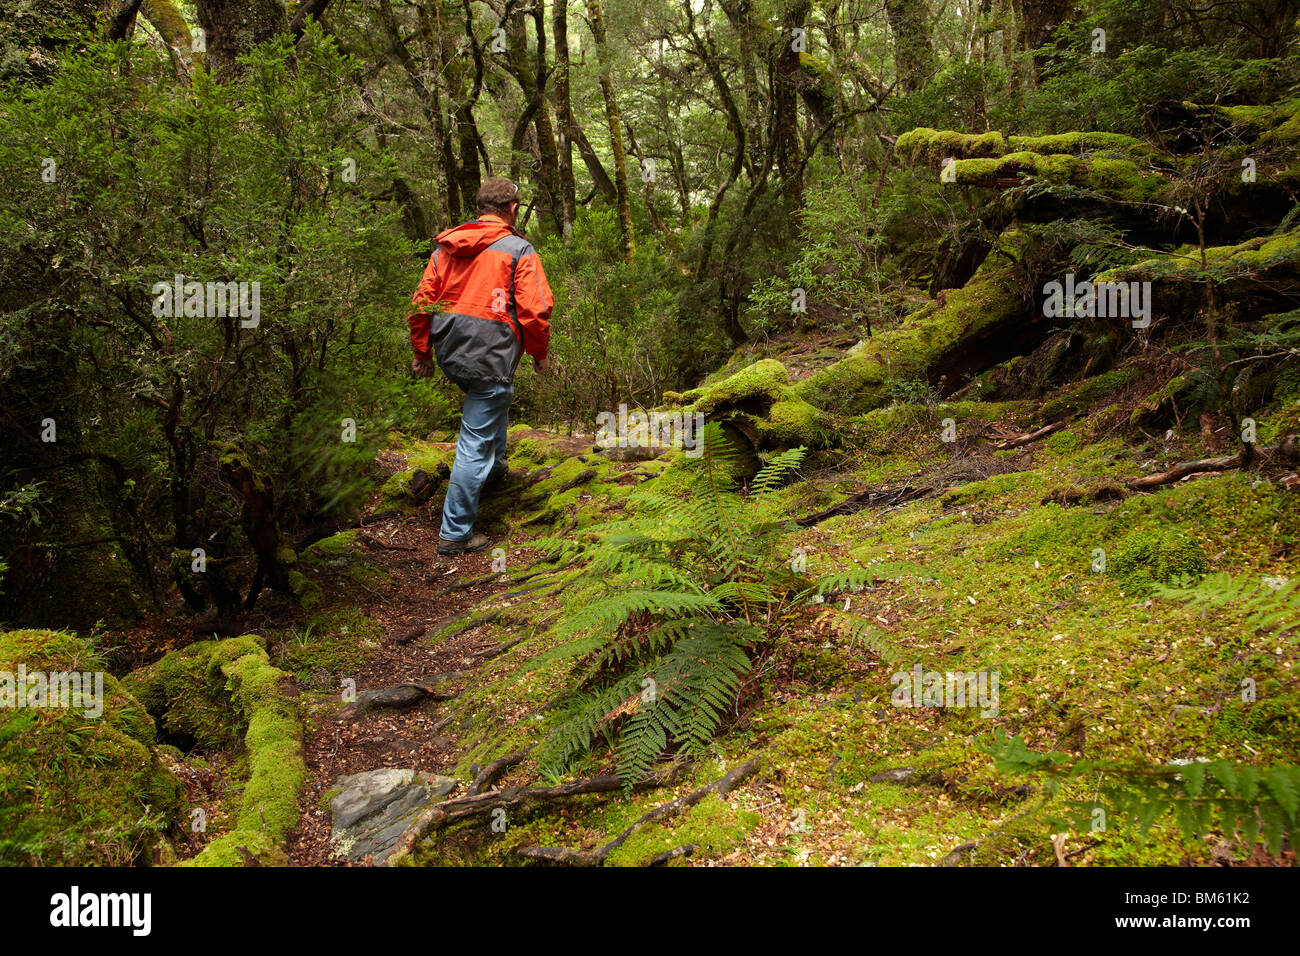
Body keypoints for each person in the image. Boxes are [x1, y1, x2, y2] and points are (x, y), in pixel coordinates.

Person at [407, 177, 553, 556]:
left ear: (480, 207)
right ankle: (455, 533)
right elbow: (534, 310)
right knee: (481, 420)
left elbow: (422, 301)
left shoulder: (447, 248)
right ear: (513, 209)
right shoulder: (519, 249)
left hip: (452, 351)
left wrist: (423, 352)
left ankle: (495, 467)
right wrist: (540, 354)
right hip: (490, 354)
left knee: (491, 398)